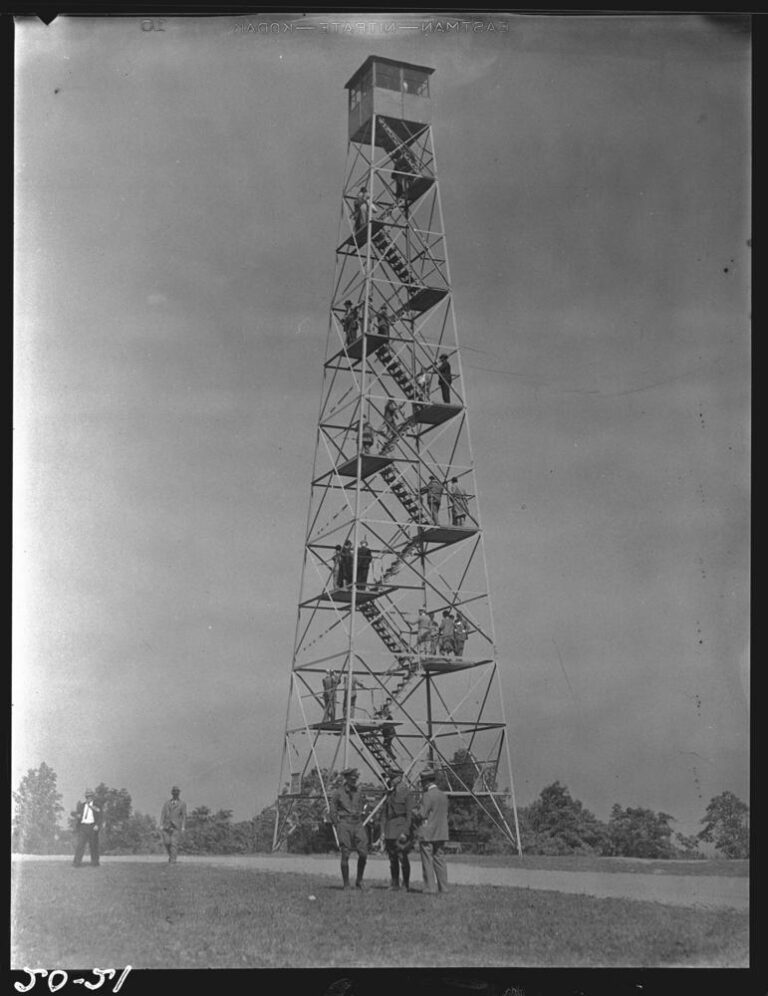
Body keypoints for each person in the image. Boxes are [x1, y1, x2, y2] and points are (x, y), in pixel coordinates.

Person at [329, 768, 369, 889]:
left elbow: (364, 805)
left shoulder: (359, 791)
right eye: (352, 779)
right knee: (345, 853)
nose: (354, 781)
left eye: (355, 779)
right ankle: (346, 884)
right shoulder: (338, 793)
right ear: (346, 779)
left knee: (363, 853)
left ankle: (359, 881)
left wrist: (363, 815)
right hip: (344, 824)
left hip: (357, 823)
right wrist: (337, 824)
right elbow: (332, 810)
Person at [414, 768, 449, 894]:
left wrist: (415, 812)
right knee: (440, 860)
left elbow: (422, 814)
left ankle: (430, 888)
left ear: (426, 782)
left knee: (427, 861)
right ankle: (444, 887)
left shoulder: (427, 796)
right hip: (441, 832)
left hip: (428, 833)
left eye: (422, 782)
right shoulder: (442, 795)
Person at [379, 767, 414, 891]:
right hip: (389, 830)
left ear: (399, 778)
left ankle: (405, 884)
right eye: (391, 778)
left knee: (402, 858)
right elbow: (383, 814)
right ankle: (395, 883)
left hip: (400, 829)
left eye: (393, 778)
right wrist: (382, 832)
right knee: (392, 858)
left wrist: (405, 831)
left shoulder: (406, 793)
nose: (391, 781)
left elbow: (409, 815)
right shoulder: (390, 793)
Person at [72, 788, 102, 867]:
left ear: (92, 797)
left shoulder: (97, 805)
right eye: (87, 796)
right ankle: (77, 863)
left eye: (90, 796)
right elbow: (77, 815)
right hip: (83, 826)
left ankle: (95, 862)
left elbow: (100, 816)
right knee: (80, 845)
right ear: (85, 797)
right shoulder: (82, 806)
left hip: (92, 826)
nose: (88, 798)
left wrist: (97, 825)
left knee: (93, 845)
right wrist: (78, 816)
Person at [161, 786, 187, 863]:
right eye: (174, 792)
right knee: (167, 842)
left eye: (177, 792)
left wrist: (183, 826)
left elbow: (184, 816)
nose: (175, 793)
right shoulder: (166, 803)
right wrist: (161, 824)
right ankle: (171, 856)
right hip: (166, 825)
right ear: (172, 793)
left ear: (179, 793)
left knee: (174, 843)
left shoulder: (182, 804)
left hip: (176, 826)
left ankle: (173, 860)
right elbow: (163, 814)